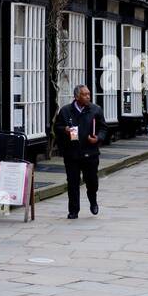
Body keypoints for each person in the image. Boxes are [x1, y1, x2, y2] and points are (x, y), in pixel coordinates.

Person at [53, 84, 107, 219]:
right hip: (72, 153)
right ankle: (73, 210)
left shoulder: (95, 110)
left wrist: (98, 138)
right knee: (72, 183)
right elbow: (57, 127)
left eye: (89, 94)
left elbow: (103, 128)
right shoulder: (65, 111)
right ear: (76, 97)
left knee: (92, 181)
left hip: (90, 152)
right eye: (85, 94)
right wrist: (65, 129)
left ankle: (93, 201)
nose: (88, 97)